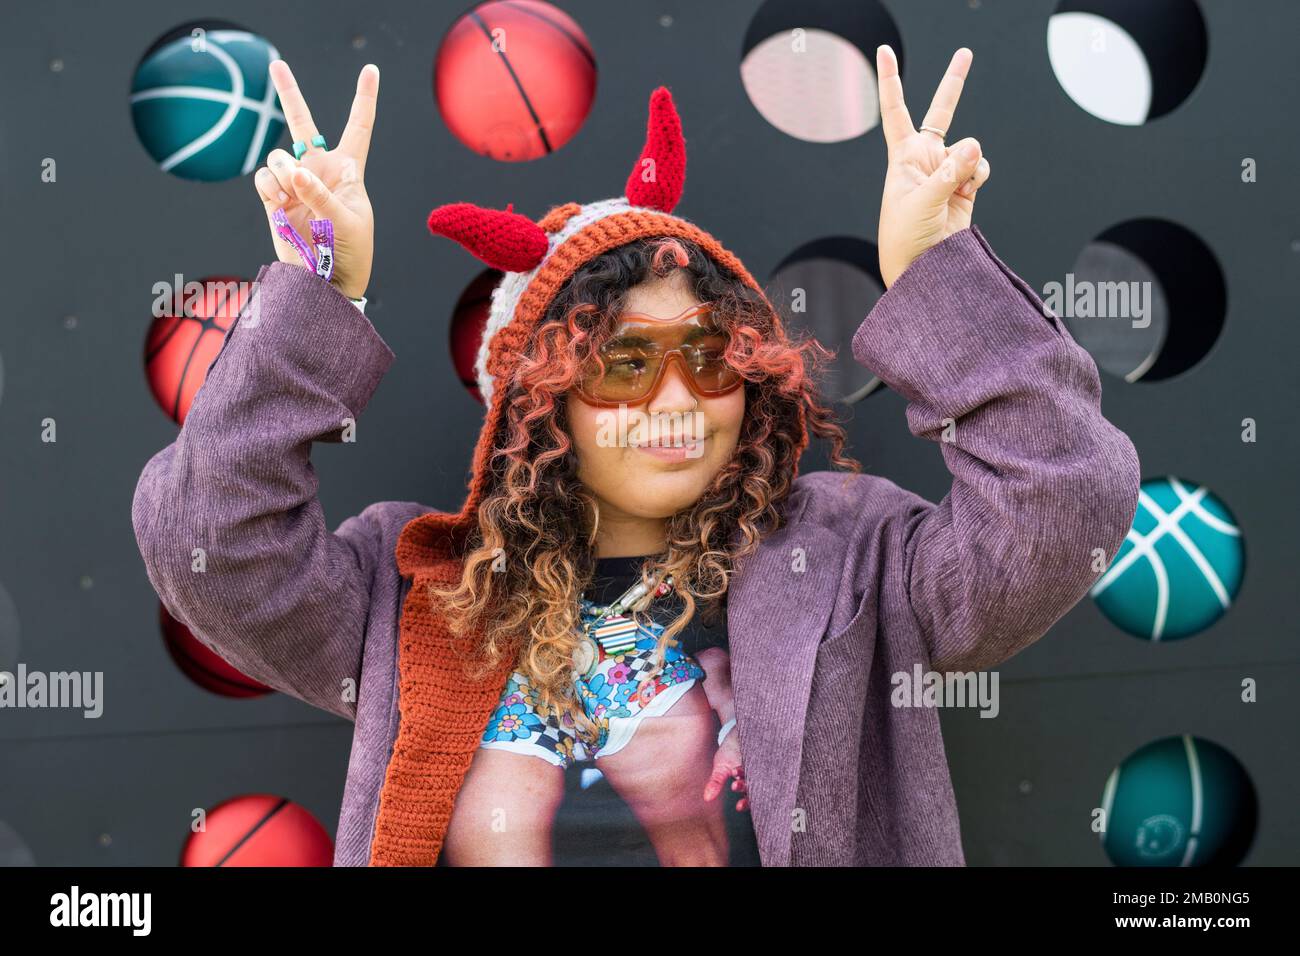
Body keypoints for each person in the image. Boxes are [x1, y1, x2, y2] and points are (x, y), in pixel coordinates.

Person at [132, 46, 1141, 867]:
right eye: (621, 363)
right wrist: (314, 298)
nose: (675, 400)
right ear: (541, 400)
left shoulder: (853, 561)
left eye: (709, 356)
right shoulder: (409, 589)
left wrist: (936, 275)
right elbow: (205, 545)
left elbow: (1065, 506)